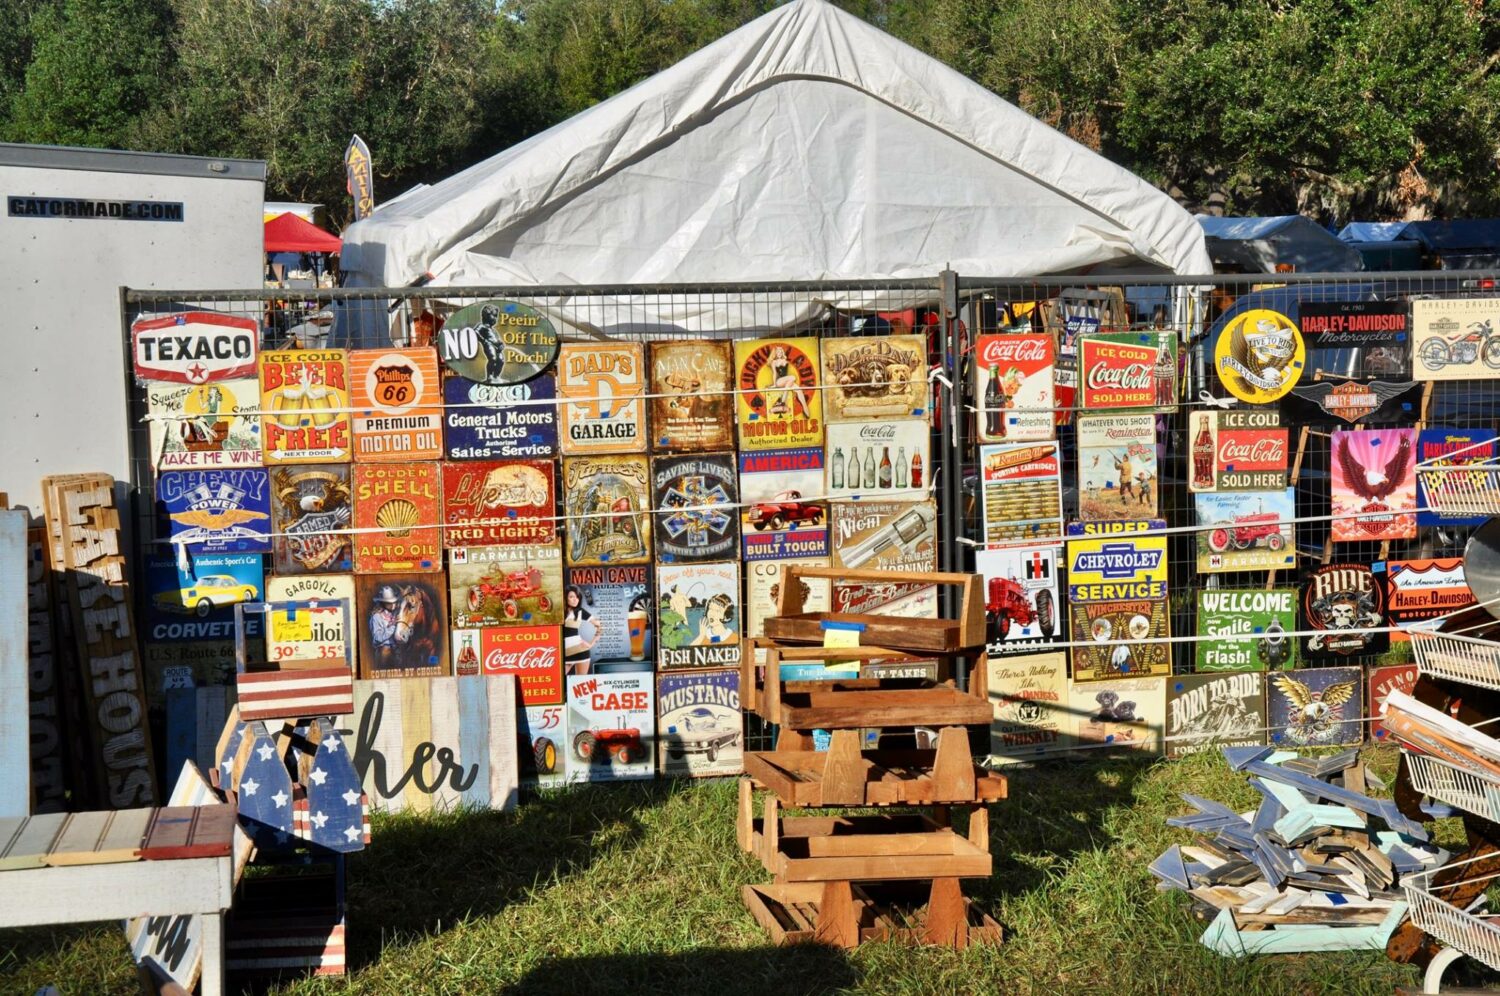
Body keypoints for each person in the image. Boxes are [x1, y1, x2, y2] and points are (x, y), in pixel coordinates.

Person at [562, 585, 595, 675]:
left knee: (580, 684)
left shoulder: (580, 612)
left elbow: (600, 625)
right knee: (558, 680)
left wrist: (591, 644)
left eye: (577, 597)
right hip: (564, 653)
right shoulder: (560, 612)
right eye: (571, 597)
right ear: (565, 598)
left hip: (581, 652)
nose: (575, 599)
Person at [369, 585, 402, 667]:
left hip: (397, 651)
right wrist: (393, 626)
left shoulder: (395, 614)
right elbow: (377, 637)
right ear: (382, 603)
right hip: (384, 651)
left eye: (394, 602)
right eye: (389, 603)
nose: (393, 605)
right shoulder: (376, 617)